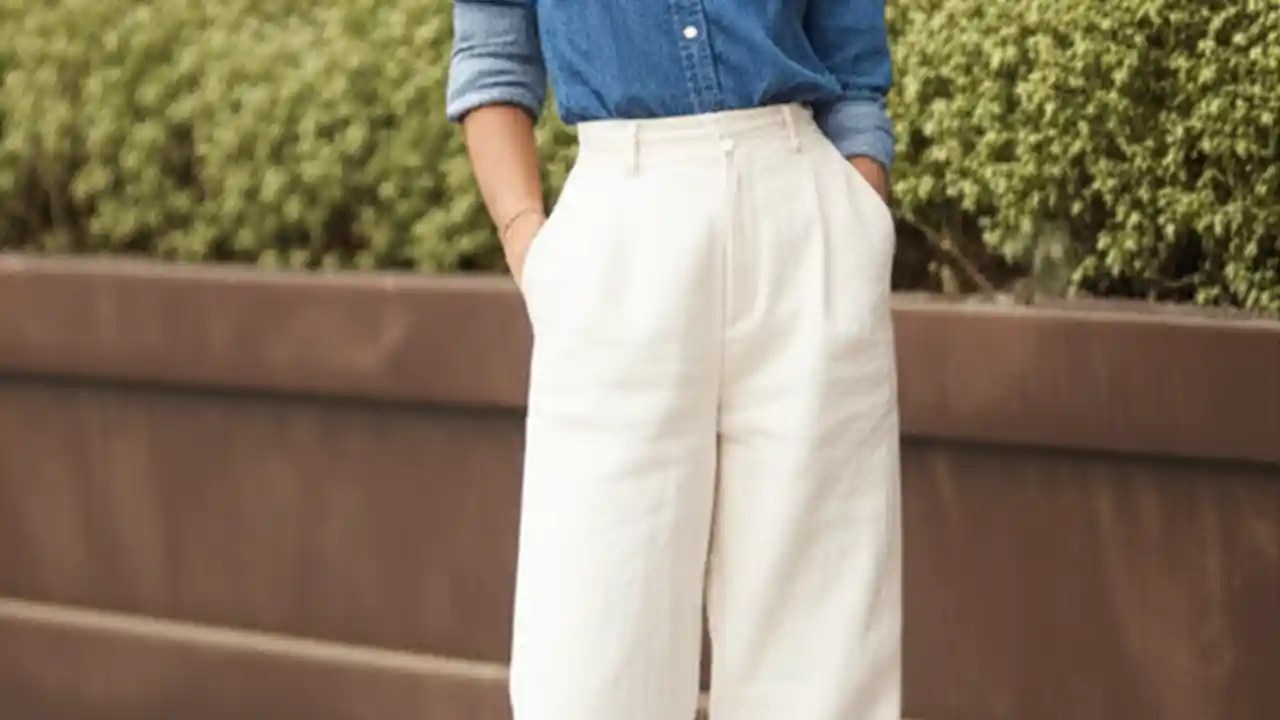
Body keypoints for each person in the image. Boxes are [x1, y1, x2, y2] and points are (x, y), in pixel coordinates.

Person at [447, 2, 900, 718]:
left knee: (819, 655)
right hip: (620, 216)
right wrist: (529, 243)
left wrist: (858, 207)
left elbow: (850, 54)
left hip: (800, 205)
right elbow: (492, 53)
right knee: (590, 654)